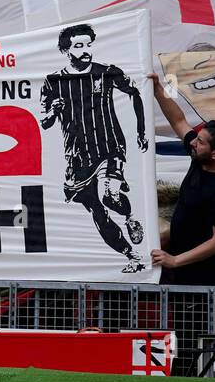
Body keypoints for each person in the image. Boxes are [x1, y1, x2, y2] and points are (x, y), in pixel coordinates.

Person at [40, 23, 149, 273]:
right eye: (79, 46)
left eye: (88, 44)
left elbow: (135, 93)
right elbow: (44, 122)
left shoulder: (107, 72)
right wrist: (53, 111)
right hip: (77, 156)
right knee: (97, 211)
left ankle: (130, 217)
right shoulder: (52, 81)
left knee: (107, 195)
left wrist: (141, 132)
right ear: (66, 50)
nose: (86, 50)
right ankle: (131, 255)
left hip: (109, 146)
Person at [150, 73, 215, 283]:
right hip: (181, 269)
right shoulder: (199, 159)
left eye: (200, 141)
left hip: (204, 278)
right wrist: (157, 89)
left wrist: (175, 260)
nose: (192, 142)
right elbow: (179, 120)